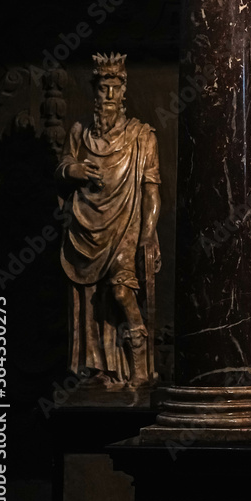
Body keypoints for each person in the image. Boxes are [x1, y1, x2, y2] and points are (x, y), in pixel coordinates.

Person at [58, 53, 160, 388]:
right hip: (86, 226)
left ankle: (140, 369)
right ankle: (100, 370)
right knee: (92, 301)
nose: (110, 95)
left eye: (115, 87)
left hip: (126, 226)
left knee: (121, 292)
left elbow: (151, 191)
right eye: (104, 88)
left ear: (124, 90)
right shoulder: (79, 133)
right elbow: (63, 167)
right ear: (95, 91)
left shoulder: (142, 136)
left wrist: (148, 234)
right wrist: (73, 170)